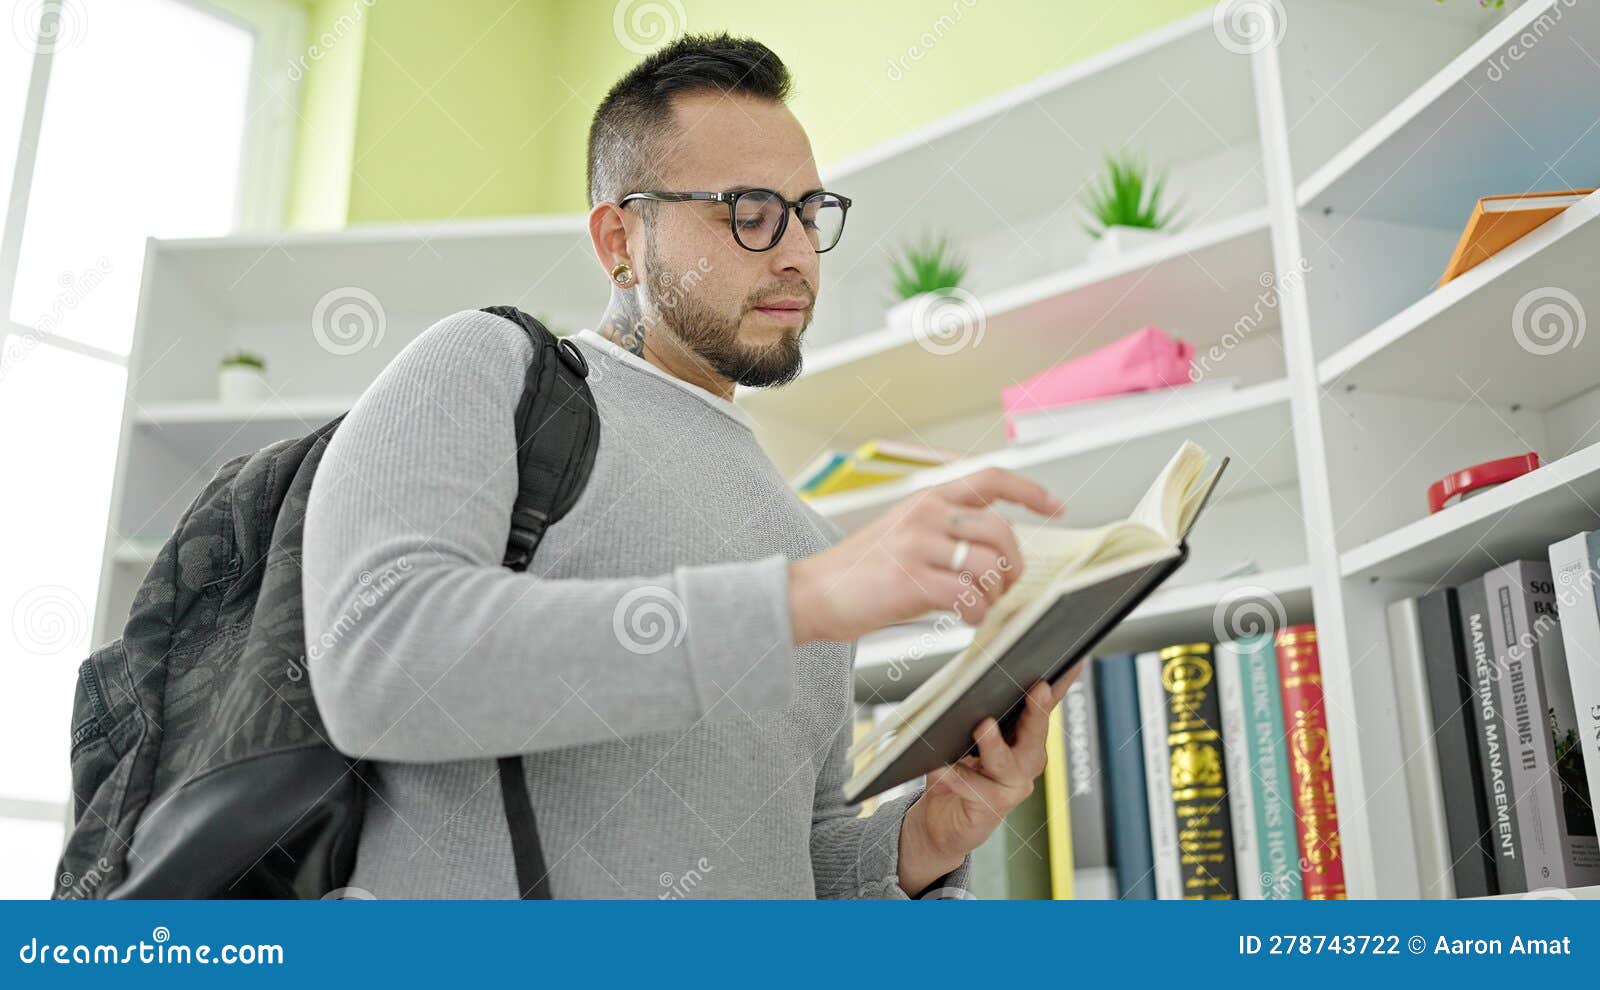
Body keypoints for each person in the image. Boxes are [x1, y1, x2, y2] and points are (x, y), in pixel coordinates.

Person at [302, 33, 1073, 899]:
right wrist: (798, 600)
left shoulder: (805, 535)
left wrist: (923, 841)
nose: (796, 254)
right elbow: (378, 663)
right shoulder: (489, 366)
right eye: (748, 212)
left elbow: (795, 855)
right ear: (619, 238)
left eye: (809, 213)